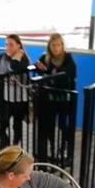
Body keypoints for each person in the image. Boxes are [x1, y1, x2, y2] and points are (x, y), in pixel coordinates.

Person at [34, 33, 77, 161]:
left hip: (64, 98)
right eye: (53, 45)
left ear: (62, 46)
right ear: (49, 46)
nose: (56, 48)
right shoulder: (45, 57)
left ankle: (64, 150)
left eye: (58, 45)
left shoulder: (68, 58)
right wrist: (41, 68)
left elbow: (69, 72)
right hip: (49, 99)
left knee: (64, 126)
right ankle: (49, 151)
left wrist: (49, 71)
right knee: (49, 126)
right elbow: (38, 67)